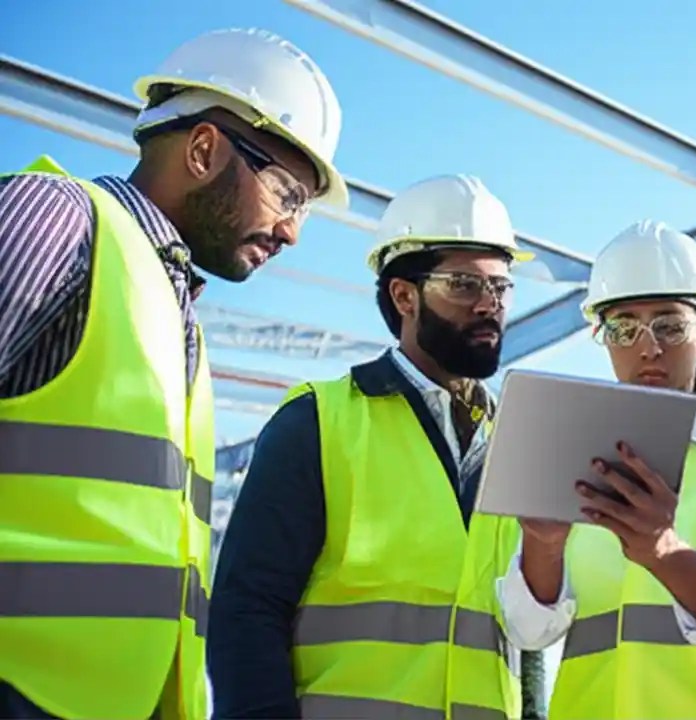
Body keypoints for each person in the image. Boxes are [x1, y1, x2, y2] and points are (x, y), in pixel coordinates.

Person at [0, 28, 344, 720]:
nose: (293, 231)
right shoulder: (57, 219)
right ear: (204, 149)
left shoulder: (171, 315)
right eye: (287, 193)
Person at [207, 175, 528, 719]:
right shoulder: (317, 422)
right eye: (465, 286)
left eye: (500, 287)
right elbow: (248, 612)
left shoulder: (518, 437)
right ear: (404, 295)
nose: (488, 305)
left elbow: (525, 625)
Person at [498, 220, 696, 719]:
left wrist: (663, 551)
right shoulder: (572, 453)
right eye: (625, 328)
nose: (648, 348)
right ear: (603, 338)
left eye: (670, 326)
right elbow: (528, 630)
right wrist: (543, 543)